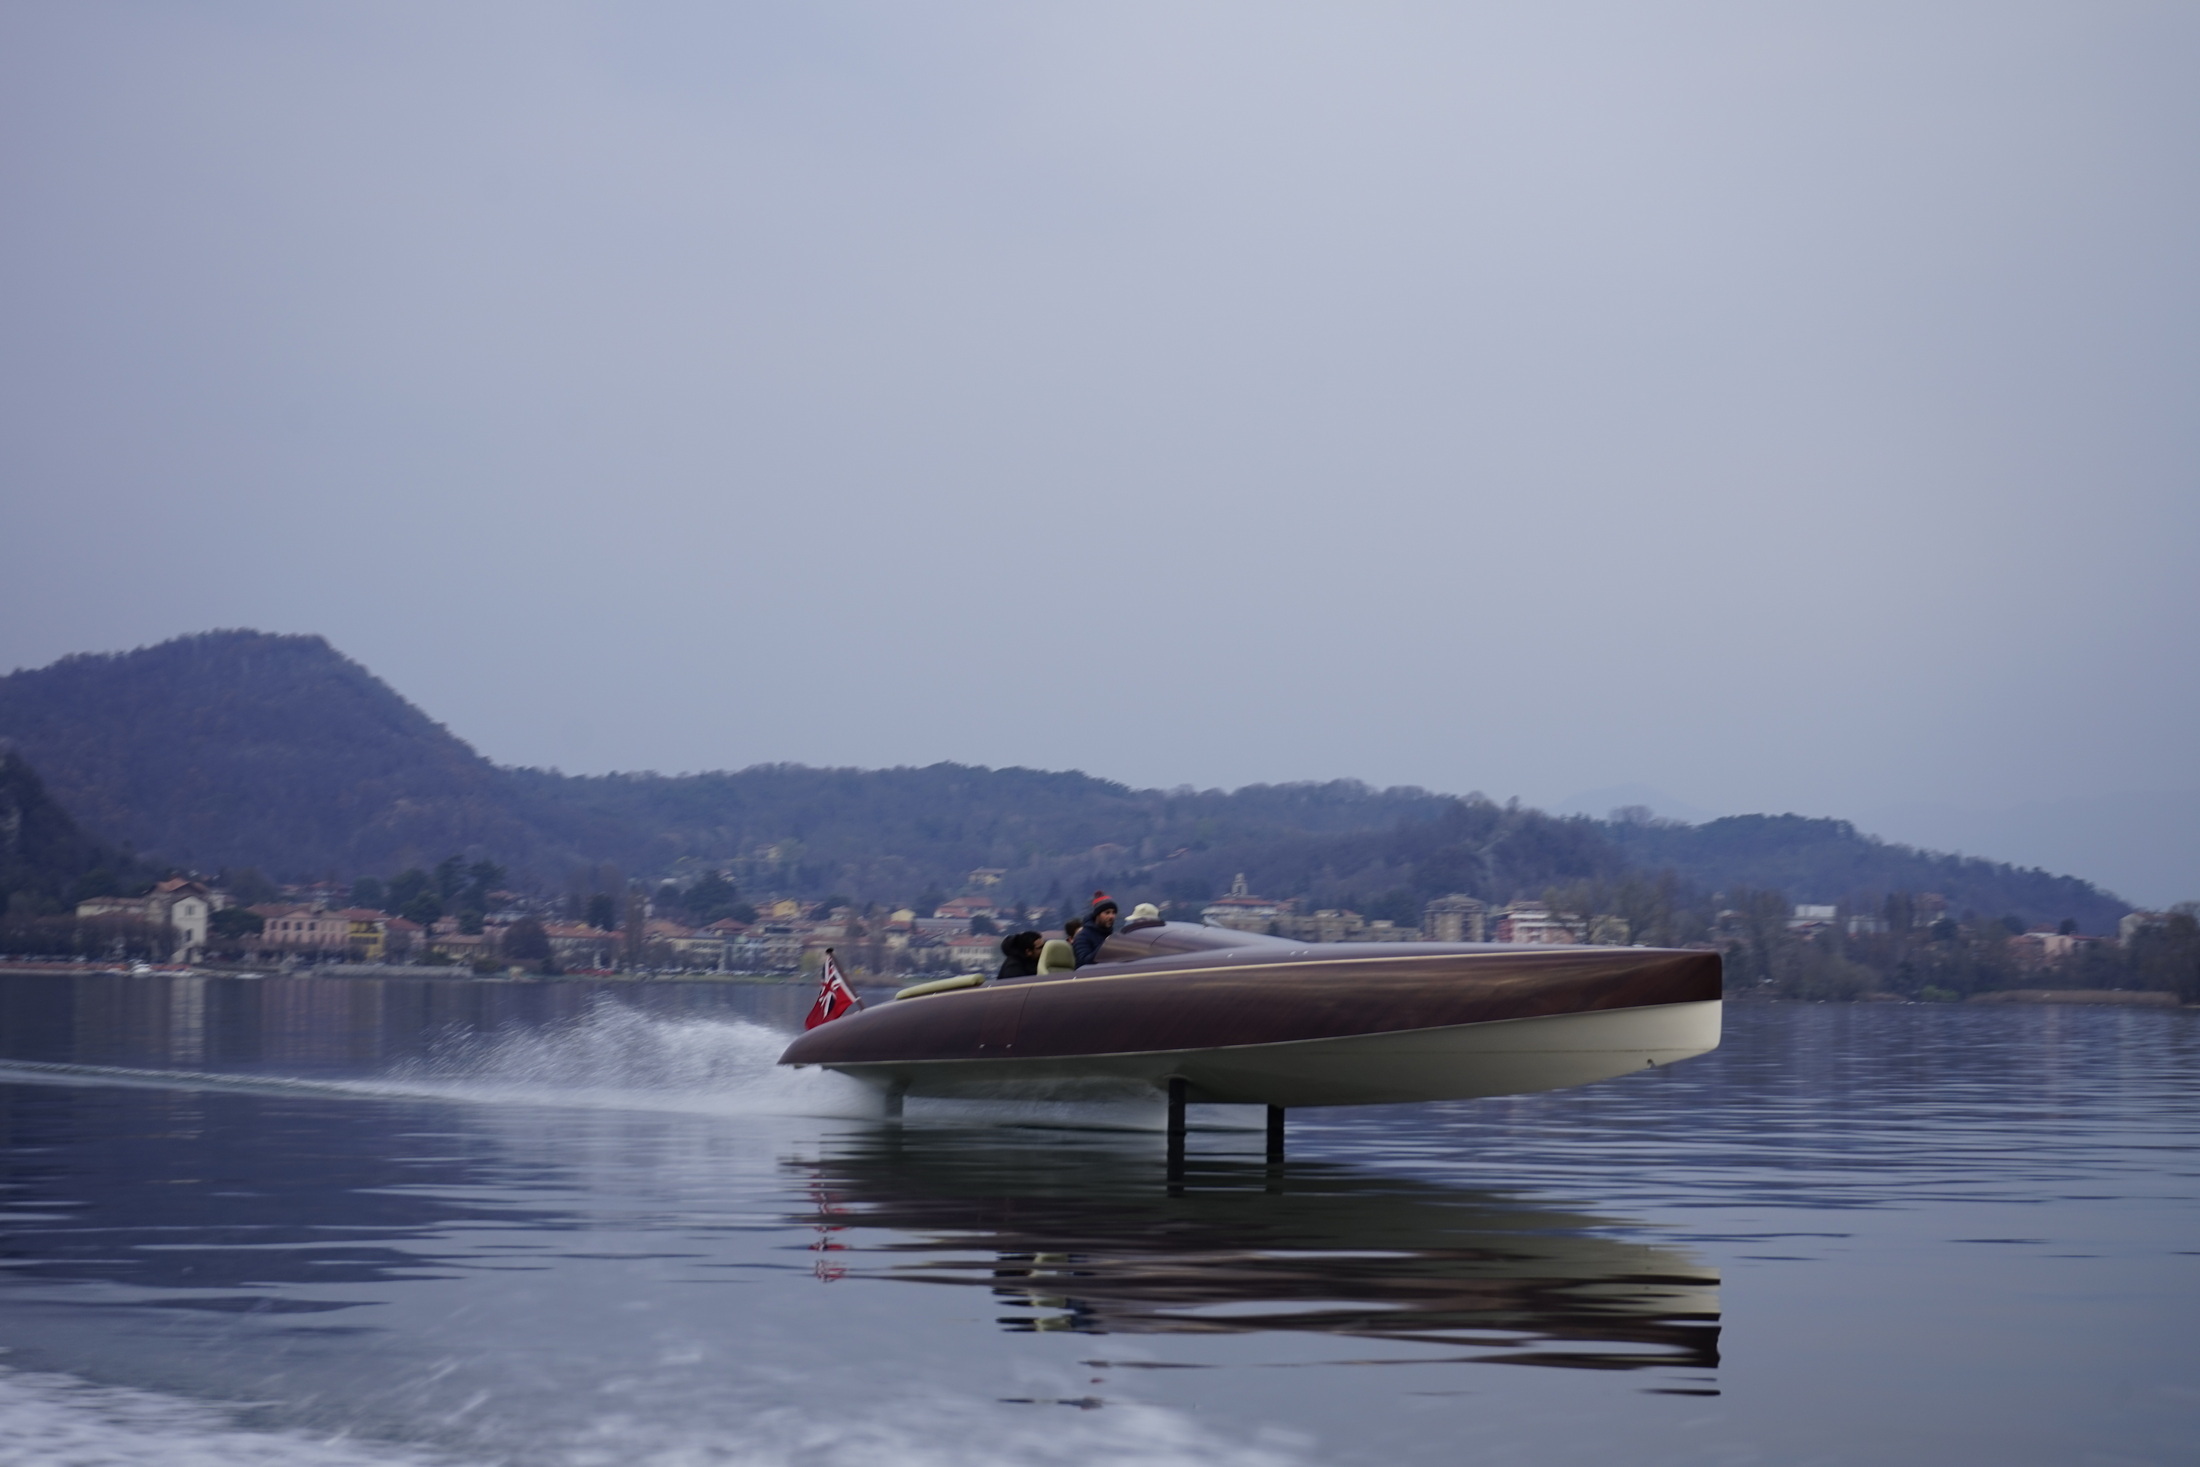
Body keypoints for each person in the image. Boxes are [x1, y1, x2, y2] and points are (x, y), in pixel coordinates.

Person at [1072, 894, 1118, 969]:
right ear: (1097, 915)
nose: (1111, 916)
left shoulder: (1111, 935)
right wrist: (1105, 945)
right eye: (1107, 913)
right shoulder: (1082, 936)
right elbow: (1084, 963)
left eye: (1113, 913)